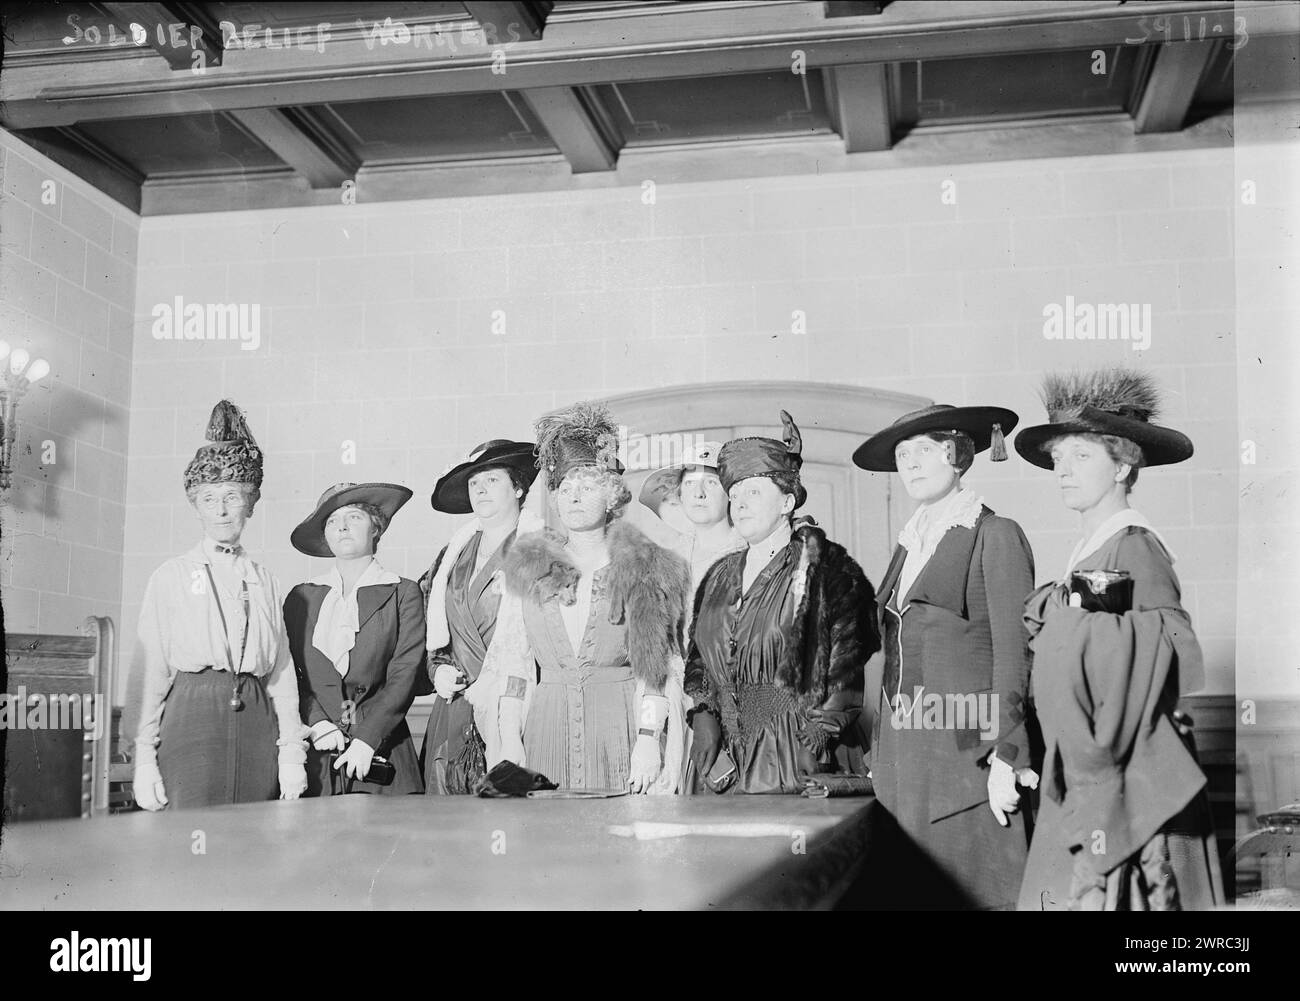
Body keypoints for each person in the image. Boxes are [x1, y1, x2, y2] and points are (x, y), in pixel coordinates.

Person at [1014, 367, 1224, 911]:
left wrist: (1069, 627)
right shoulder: (1088, 550)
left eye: (1081, 456)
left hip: (1129, 775)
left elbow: (1173, 651)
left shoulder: (1135, 547)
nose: (1062, 470)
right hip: (1084, 759)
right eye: (1058, 458)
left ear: (1124, 463)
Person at [854, 403, 1035, 909]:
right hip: (904, 760)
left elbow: (1013, 652)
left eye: (924, 451)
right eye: (902, 453)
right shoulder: (909, 545)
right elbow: (894, 657)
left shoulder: (994, 535)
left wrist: (1007, 755)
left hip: (966, 754)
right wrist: (880, 748)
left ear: (957, 456)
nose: (909, 463)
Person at [468, 402, 692, 793]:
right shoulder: (530, 562)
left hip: (619, 727)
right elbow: (515, 666)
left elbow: (657, 670)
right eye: (564, 488)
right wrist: (508, 740)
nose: (573, 496)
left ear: (611, 497)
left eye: (587, 487)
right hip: (545, 728)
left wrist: (647, 740)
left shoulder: (644, 565)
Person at [685, 411, 879, 795]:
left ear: (787, 500)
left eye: (753, 492)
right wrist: (704, 715)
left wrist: (815, 740)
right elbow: (698, 659)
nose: (739, 503)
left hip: (796, 754)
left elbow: (844, 668)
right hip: (723, 762)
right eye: (735, 494)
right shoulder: (719, 575)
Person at [132, 401, 308, 811]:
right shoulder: (171, 576)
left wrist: (291, 753)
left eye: (232, 496)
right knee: (188, 846)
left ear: (249, 503)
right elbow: (151, 673)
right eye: (211, 499)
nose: (223, 509)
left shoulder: (264, 579)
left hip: (257, 719)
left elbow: (281, 673)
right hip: (192, 714)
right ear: (196, 505)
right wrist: (143, 760)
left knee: (255, 843)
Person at [283, 483, 424, 795]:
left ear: (376, 527)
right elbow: (288, 674)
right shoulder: (301, 597)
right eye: (332, 521)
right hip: (318, 758)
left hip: (381, 756)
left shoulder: (403, 592)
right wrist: (316, 721)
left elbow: (405, 674)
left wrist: (367, 739)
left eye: (354, 517)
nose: (342, 526)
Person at [417, 439, 539, 794]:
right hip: (454, 708)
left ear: (518, 487)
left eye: (492, 480)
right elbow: (432, 629)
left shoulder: (539, 548)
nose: (481, 489)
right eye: (474, 483)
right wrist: (436, 668)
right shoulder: (451, 556)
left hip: (514, 706)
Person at [634, 439, 745, 601]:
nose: (698, 492)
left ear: (730, 493)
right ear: (680, 495)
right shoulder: (668, 563)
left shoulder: (749, 555)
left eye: (711, 482)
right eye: (690, 482)